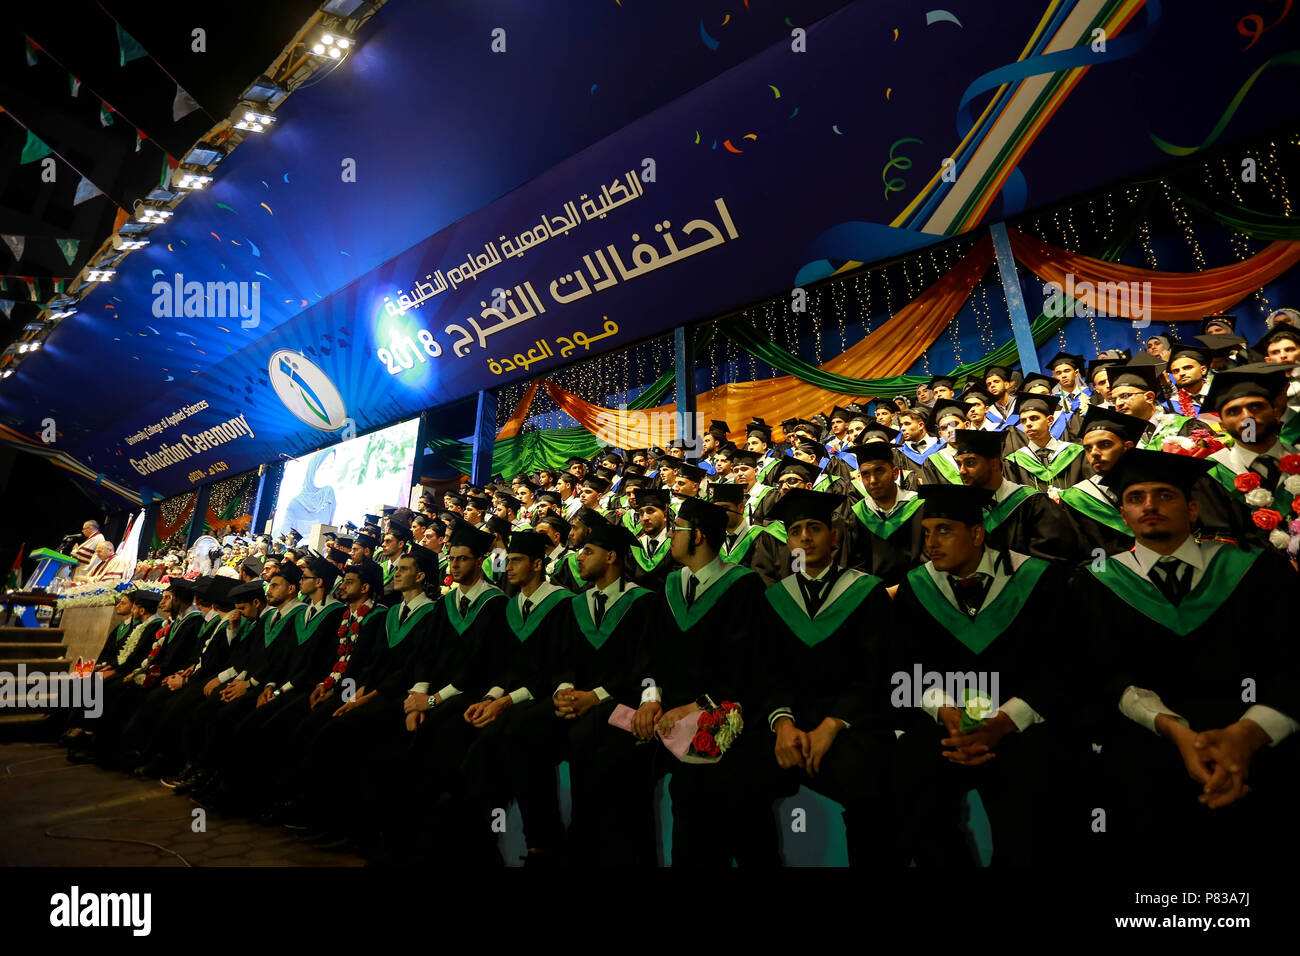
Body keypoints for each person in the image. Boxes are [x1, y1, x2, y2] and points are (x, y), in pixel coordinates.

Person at [1074, 450, 1299, 866]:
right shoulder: (1094, 583)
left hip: (1260, 734)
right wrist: (1178, 732)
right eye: (1136, 498)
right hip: (1150, 740)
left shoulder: (1255, 568)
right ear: (1124, 515)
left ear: (1192, 509)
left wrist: (1248, 733)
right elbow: (1103, 676)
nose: (1150, 506)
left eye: (1165, 495)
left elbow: (1293, 660)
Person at [890, 484, 1072, 866]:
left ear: (976, 534)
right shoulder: (917, 586)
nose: (931, 543)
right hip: (948, 724)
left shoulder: (1038, 579)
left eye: (944, 530)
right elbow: (904, 666)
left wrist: (1004, 721)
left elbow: (1060, 666)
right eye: (927, 532)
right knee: (908, 781)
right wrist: (946, 712)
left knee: (1034, 799)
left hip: (1021, 723)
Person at [757, 489, 901, 865]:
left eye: (815, 528)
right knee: (737, 781)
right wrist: (783, 724)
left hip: (853, 723)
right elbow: (768, 672)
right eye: (796, 531)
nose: (805, 537)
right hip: (791, 724)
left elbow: (877, 672)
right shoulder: (774, 599)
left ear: (833, 537)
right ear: (788, 543)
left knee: (870, 790)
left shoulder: (866, 592)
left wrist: (832, 725)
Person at [655, 497, 778, 866]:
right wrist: (651, 698)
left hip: (722, 710)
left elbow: (743, 664)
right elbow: (652, 654)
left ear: (699, 537)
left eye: (676, 529)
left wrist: (697, 706)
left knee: (716, 794)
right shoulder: (669, 585)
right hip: (669, 716)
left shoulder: (742, 585)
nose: (670, 537)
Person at [951, 429, 1084, 562]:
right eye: (959, 464)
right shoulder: (965, 512)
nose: (962, 471)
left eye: (970, 463)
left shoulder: (1032, 503)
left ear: (994, 464)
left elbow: (1056, 557)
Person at [842, 442, 926, 586]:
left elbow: (930, 558)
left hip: (920, 591)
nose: (873, 480)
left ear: (895, 473)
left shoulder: (920, 506)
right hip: (877, 597)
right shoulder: (857, 514)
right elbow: (856, 566)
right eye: (865, 474)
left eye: (879, 471)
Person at [1000, 395, 1090, 494]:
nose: (1028, 424)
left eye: (1034, 418)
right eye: (1023, 421)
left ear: (1050, 420)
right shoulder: (1014, 462)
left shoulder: (1075, 453)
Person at [280, 447, 338, 536]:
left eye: (330, 466)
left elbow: (331, 527)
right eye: (323, 467)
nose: (326, 472)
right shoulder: (296, 503)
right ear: (313, 469)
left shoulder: (328, 493)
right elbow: (284, 534)